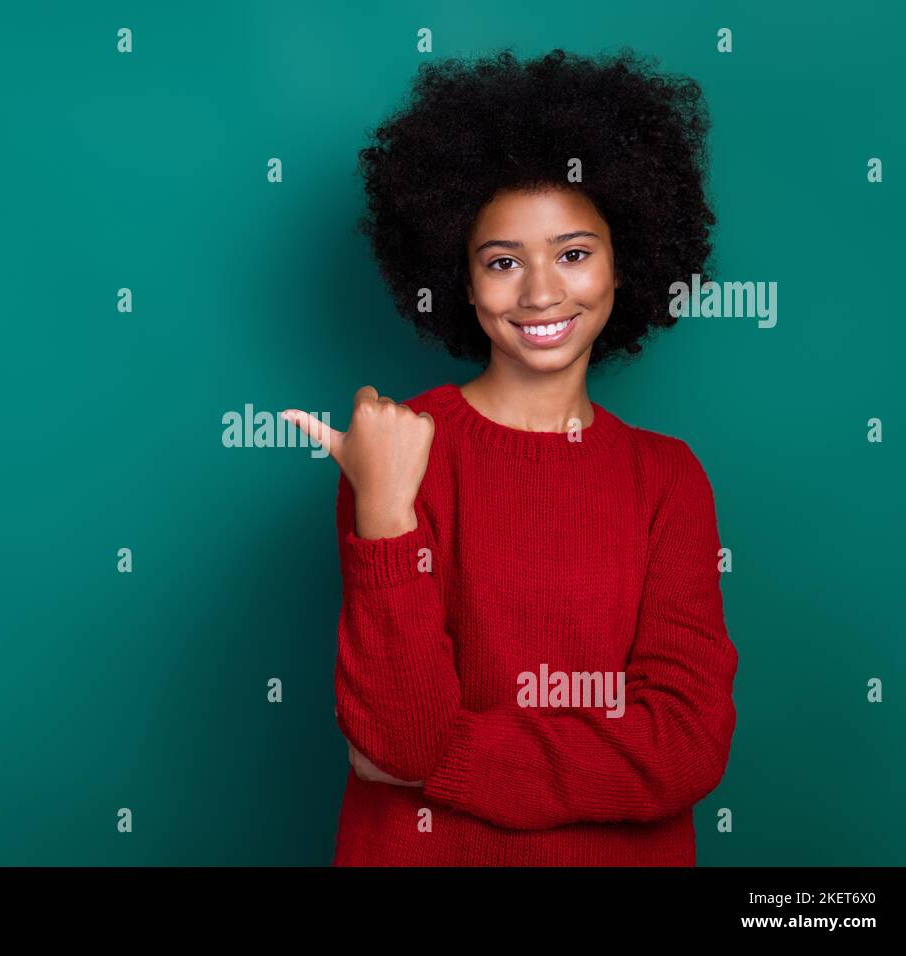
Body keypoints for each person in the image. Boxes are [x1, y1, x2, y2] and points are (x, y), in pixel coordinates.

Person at [282, 47, 738, 866]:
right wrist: (384, 508)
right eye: (502, 262)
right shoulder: (395, 448)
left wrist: (444, 760)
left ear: (624, 262)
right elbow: (398, 730)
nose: (539, 293)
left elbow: (683, 748)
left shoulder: (668, 478)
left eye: (573, 253)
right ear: (460, 280)